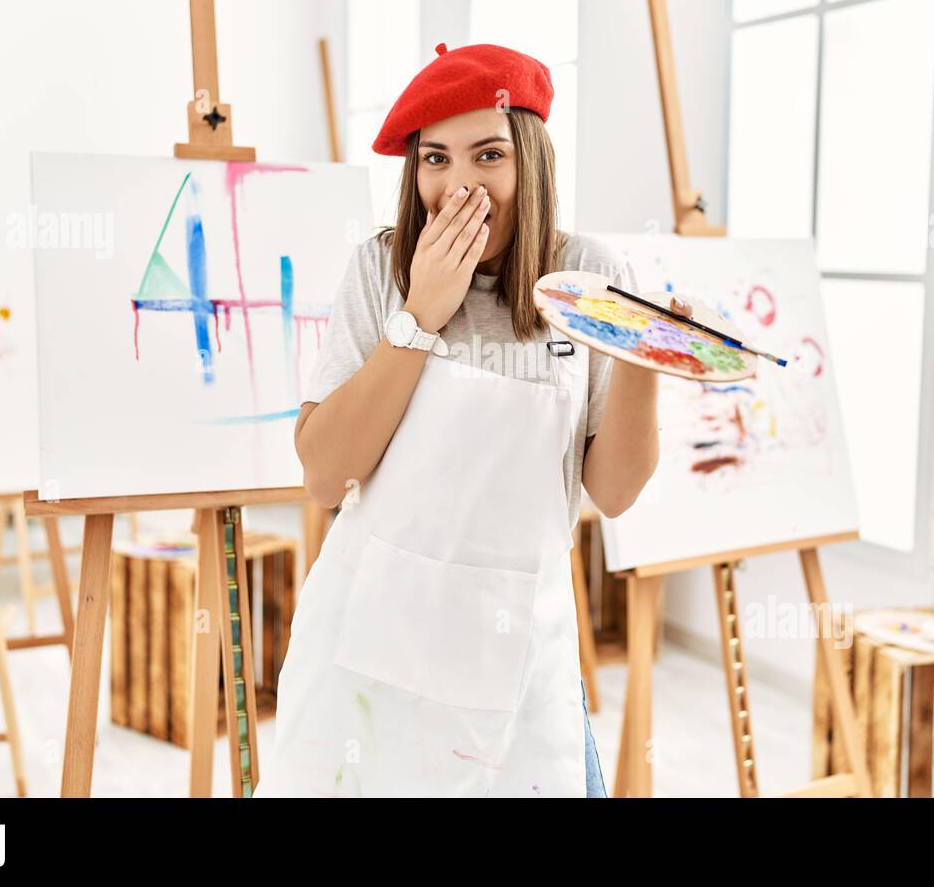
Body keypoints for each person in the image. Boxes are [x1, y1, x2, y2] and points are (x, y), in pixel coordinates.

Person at [255, 42, 677, 797]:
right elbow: (324, 474)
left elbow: (611, 491)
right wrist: (419, 314)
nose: (458, 187)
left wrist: (646, 362)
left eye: (488, 155)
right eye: (435, 160)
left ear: (533, 159)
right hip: (372, 644)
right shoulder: (380, 268)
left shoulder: (590, 278)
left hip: (518, 651)